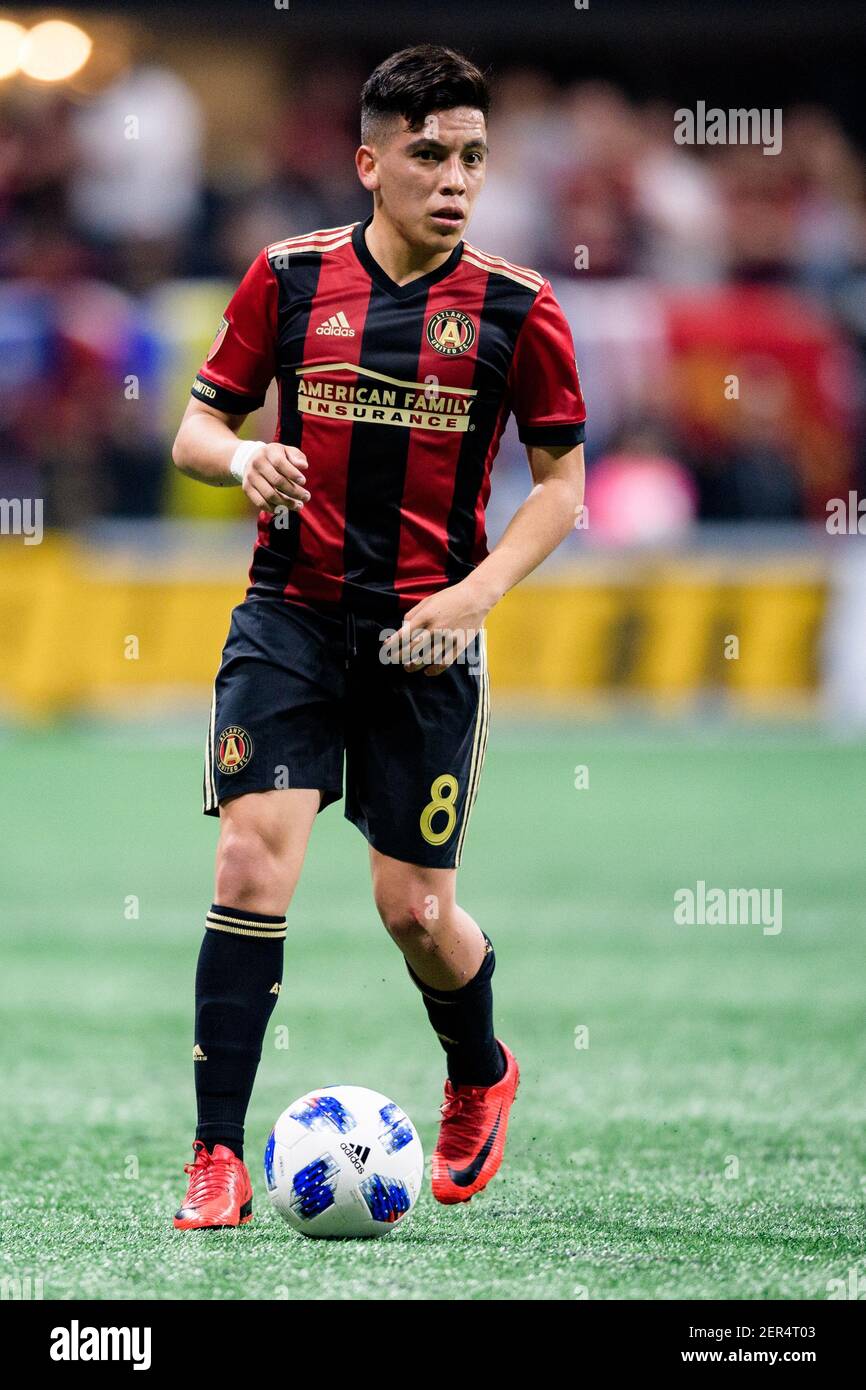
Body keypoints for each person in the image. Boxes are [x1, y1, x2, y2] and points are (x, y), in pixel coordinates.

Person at [170, 43, 585, 1229]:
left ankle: (477, 1073)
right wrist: (246, 455)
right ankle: (213, 1156)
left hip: (426, 642)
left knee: (413, 912)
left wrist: (476, 594)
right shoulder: (288, 278)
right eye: (428, 155)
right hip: (290, 618)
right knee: (250, 861)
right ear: (368, 163)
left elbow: (562, 487)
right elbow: (197, 430)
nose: (455, 178)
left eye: (472, 158)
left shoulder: (517, 308)